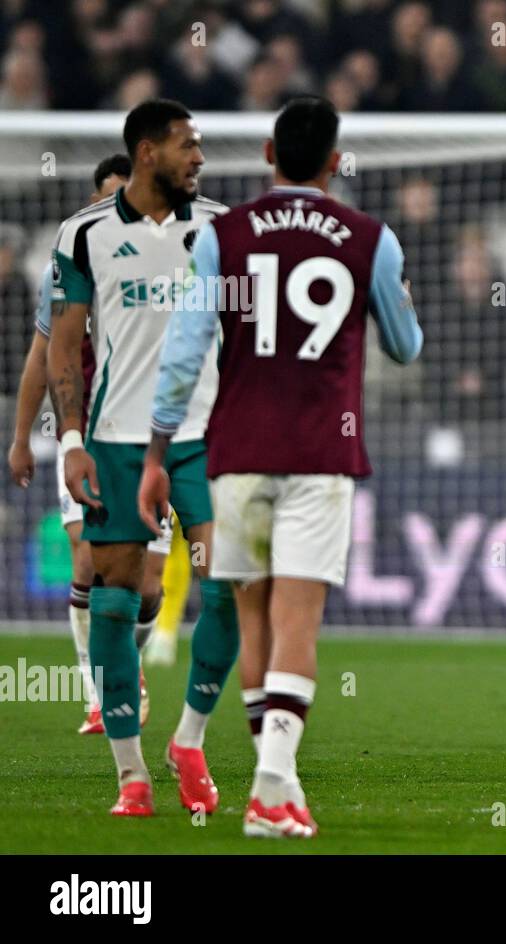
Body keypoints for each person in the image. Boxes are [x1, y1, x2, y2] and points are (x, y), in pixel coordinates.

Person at [140, 96, 422, 838]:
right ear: (334, 161)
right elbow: (405, 347)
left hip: (237, 454)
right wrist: (396, 299)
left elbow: (184, 353)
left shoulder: (224, 235)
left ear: (269, 154)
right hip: (320, 455)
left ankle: (279, 784)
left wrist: (158, 450)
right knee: (299, 619)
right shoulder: (369, 238)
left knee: (254, 617)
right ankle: (270, 786)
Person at [47, 99, 235, 817]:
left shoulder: (222, 228)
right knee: (117, 595)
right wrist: (70, 441)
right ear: (149, 151)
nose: (200, 158)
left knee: (227, 587)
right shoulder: (83, 234)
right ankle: (131, 776)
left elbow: (247, 330)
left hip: (205, 437)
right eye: (189, 145)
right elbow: (63, 345)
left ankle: (189, 740)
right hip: (118, 439)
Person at [7, 153, 174, 733]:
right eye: (110, 197)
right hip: (83, 434)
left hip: (154, 438)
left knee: (146, 587)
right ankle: (102, 690)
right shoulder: (70, 266)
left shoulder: (172, 263)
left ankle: (128, 662)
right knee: (86, 561)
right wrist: (22, 437)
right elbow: (41, 357)